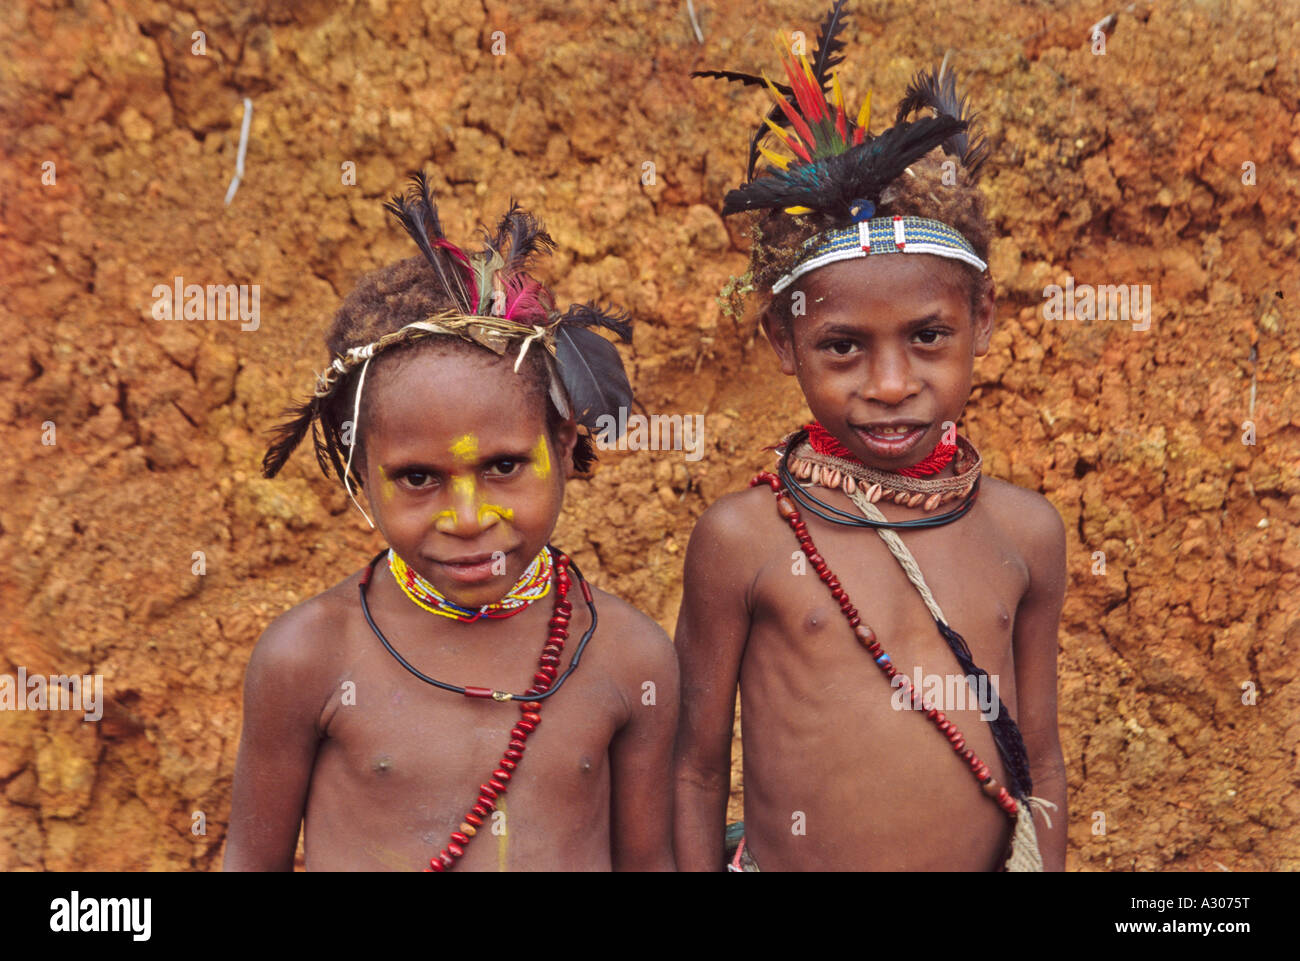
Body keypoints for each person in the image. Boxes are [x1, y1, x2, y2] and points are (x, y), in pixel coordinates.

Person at [674, 3, 1067, 871]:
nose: (890, 385)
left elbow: (1039, 760)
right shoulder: (743, 540)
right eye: (842, 346)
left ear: (984, 319)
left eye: (927, 335)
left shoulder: (1026, 534)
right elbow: (694, 770)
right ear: (786, 343)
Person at [225, 174, 678, 871]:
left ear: (563, 447)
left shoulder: (627, 657)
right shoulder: (307, 658)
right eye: (417, 478)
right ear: (358, 473)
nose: (468, 519)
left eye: (503, 466)